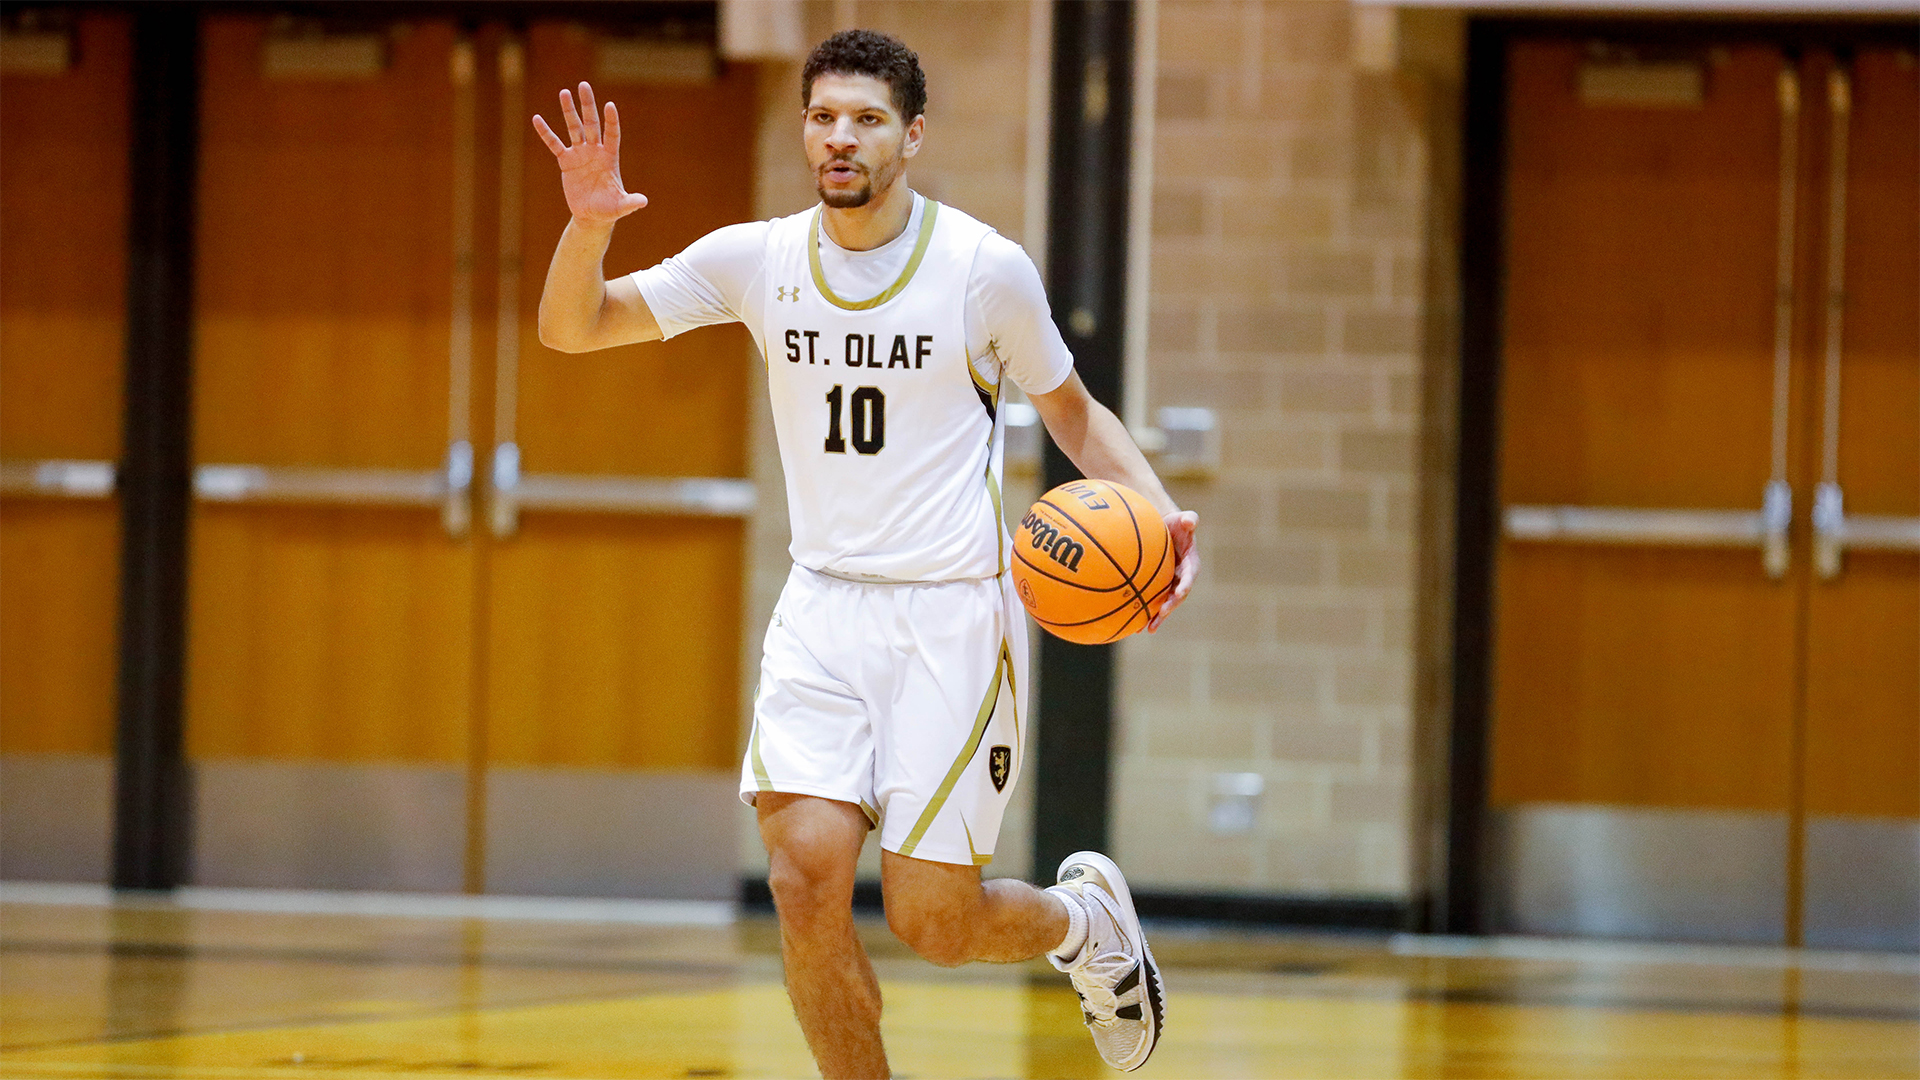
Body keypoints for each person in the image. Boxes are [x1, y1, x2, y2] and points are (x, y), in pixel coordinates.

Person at [533, 29, 1198, 1079]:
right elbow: (574, 329)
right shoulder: (756, 258)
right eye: (823, 116)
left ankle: (1084, 924)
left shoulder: (983, 270)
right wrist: (585, 228)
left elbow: (1073, 415)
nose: (840, 138)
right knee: (803, 884)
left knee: (934, 922)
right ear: (804, 128)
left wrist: (1156, 512)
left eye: (867, 119)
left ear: (913, 135)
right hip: (823, 613)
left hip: (950, 617)